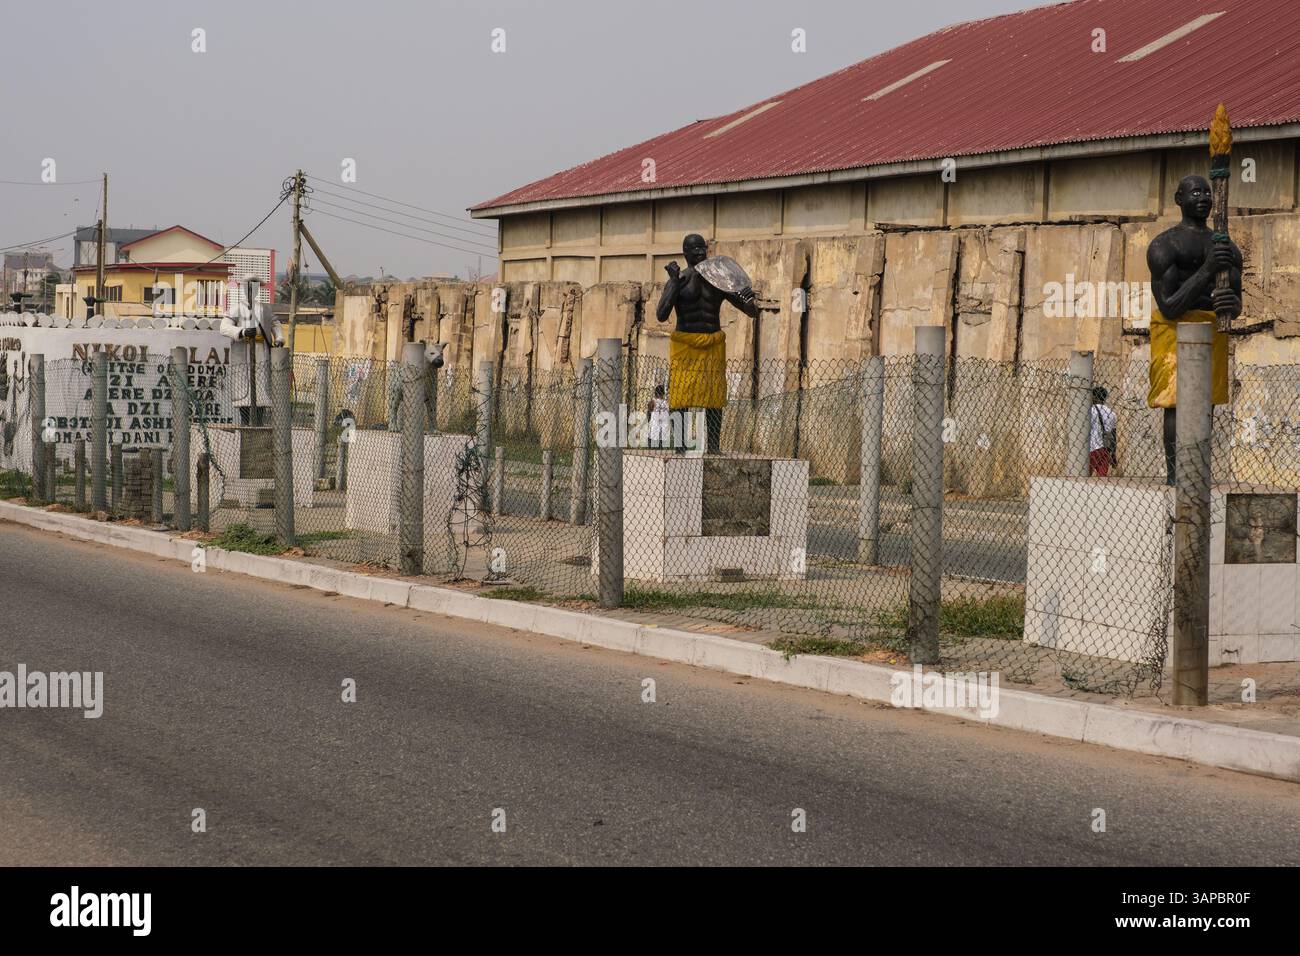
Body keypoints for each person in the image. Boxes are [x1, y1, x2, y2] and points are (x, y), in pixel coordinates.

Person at [1146, 174, 1243, 485]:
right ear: (1179, 200)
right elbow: (1170, 306)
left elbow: (1235, 304)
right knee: (1176, 400)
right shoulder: (1165, 245)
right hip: (1174, 329)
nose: (1202, 197)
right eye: (1194, 192)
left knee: (1207, 401)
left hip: (1211, 328)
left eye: (1206, 192)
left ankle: (1198, 473)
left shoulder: (1227, 248)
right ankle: (1177, 477)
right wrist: (1207, 270)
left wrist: (1230, 303)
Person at [655, 234, 761, 453]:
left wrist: (750, 300)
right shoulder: (679, 280)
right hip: (685, 345)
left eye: (703, 249)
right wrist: (674, 282)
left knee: (714, 396)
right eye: (695, 250)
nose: (700, 253)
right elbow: (662, 314)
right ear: (685, 253)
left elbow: (750, 312)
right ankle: (681, 447)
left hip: (713, 344)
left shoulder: (719, 280)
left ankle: (713, 447)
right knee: (681, 396)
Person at [1089, 386, 1117, 477]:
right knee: (1102, 479)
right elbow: (1113, 435)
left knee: (1084, 478)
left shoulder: (1091, 410)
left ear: (1094, 397)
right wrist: (1113, 455)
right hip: (1105, 450)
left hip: (1092, 448)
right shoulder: (1112, 413)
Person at [646, 384, 670, 449]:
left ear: (655, 393)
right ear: (663, 394)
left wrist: (648, 418)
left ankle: (652, 447)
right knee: (662, 436)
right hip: (663, 424)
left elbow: (649, 411)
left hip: (655, 423)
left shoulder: (653, 401)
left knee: (652, 433)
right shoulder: (666, 402)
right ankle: (660, 447)